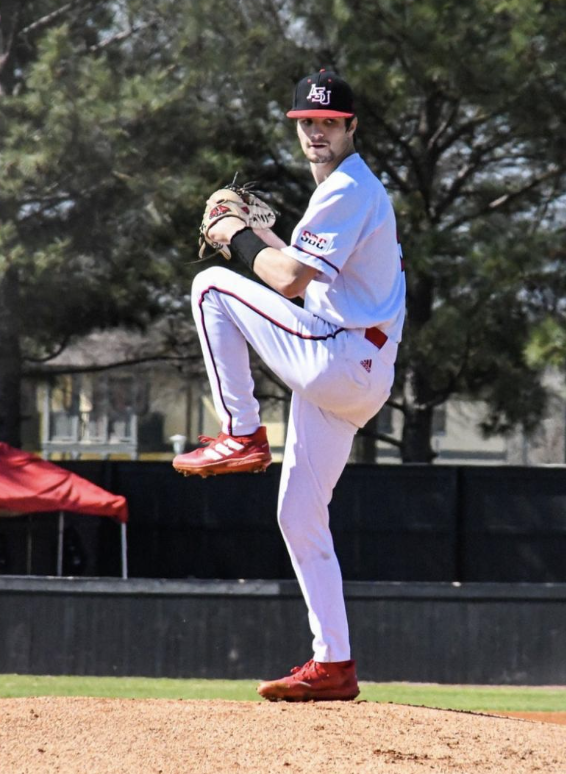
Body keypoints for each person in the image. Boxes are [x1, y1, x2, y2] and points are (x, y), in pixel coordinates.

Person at [172, 69, 405, 701]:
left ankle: (241, 431)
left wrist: (232, 236)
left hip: (341, 357)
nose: (317, 132)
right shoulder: (342, 194)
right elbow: (301, 271)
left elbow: (288, 283)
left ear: (352, 126)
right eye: (308, 123)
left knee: (209, 286)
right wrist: (261, 235)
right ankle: (335, 664)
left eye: (330, 122)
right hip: (356, 370)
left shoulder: (349, 189)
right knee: (298, 512)